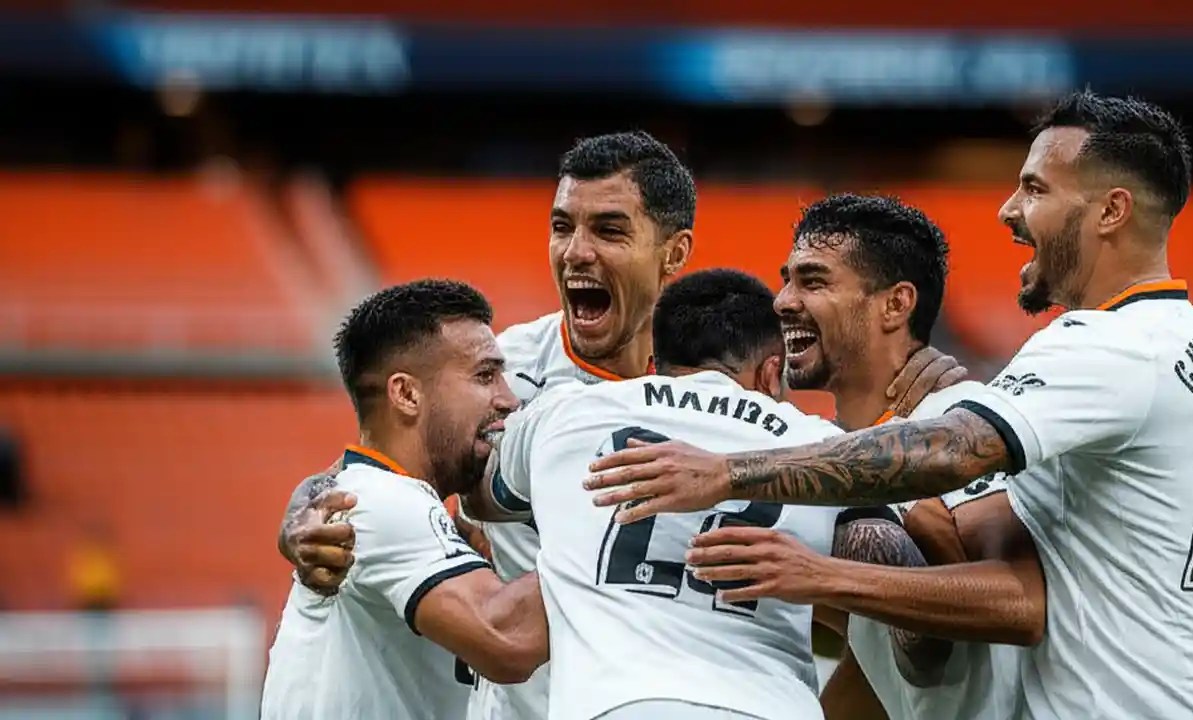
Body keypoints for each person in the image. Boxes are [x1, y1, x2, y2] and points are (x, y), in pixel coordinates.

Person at [587, 91, 1193, 719]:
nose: (1008, 209)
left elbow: (962, 471)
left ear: (1111, 211)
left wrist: (741, 483)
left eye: (1035, 189)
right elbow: (887, 670)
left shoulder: (1097, 350)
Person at [275, 132, 963, 719]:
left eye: (608, 230)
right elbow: (383, 466)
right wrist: (306, 509)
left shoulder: (740, 412)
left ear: (673, 253)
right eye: (561, 226)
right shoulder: (507, 373)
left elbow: (850, 611)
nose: (575, 252)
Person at [467, 268, 945, 719]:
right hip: (769, 707)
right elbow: (894, 572)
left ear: (655, 364)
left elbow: (482, 496)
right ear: (770, 373)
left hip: (618, 703)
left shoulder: (566, 412)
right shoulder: (821, 447)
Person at [774, 193, 1036, 720]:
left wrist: (827, 574)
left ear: (895, 304)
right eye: (788, 278)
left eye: (814, 280)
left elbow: (1019, 602)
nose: (783, 300)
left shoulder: (958, 424)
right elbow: (876, 665)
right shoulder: (835, 442)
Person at [259, 279, 547, 720]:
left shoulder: (373, 495)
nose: (508, 399)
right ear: (407, 394)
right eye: (485, 375)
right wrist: (608, 538)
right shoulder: (380, 503)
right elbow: (505, 637)